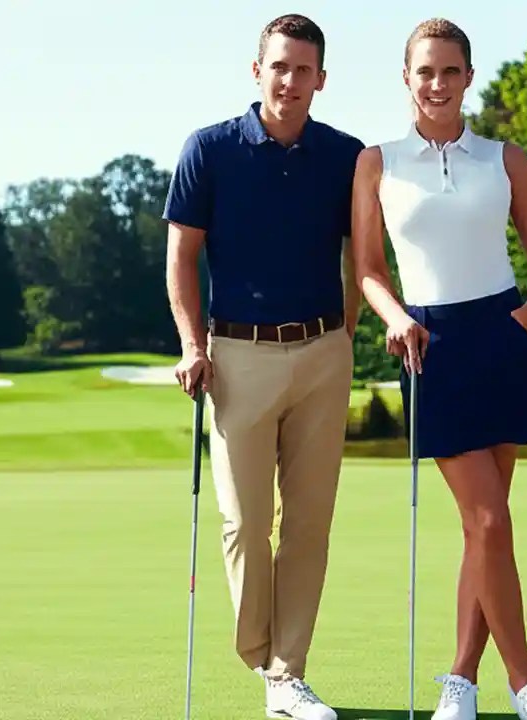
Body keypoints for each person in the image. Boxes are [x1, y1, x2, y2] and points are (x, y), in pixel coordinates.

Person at [351, 17, 527, 720]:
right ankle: (526, 684)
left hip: (502, 337)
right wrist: (395, 317)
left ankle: (460, 681)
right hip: (429, 345)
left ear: (468, 77)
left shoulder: (505, 159)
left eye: (450, 71)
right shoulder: (376, 163)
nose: (437, 84)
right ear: (406, 78)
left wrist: (526, 321)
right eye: (425, 71)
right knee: (487, 518)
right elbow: (368, 270)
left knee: (486, 528)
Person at [163, 13, 364, 720]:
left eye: (304, 69)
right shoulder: (209, 149)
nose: (290, 80)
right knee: (246, 524)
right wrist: (193, 346)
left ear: (321, 79)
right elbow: (181, 257)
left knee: (309, 524)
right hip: (237, 356)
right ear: (258, 71)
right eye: (279, 66)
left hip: (322, 353)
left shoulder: (347, 156)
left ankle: (288, 672)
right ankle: (260, 653)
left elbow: (362, 256)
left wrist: (346, 333)